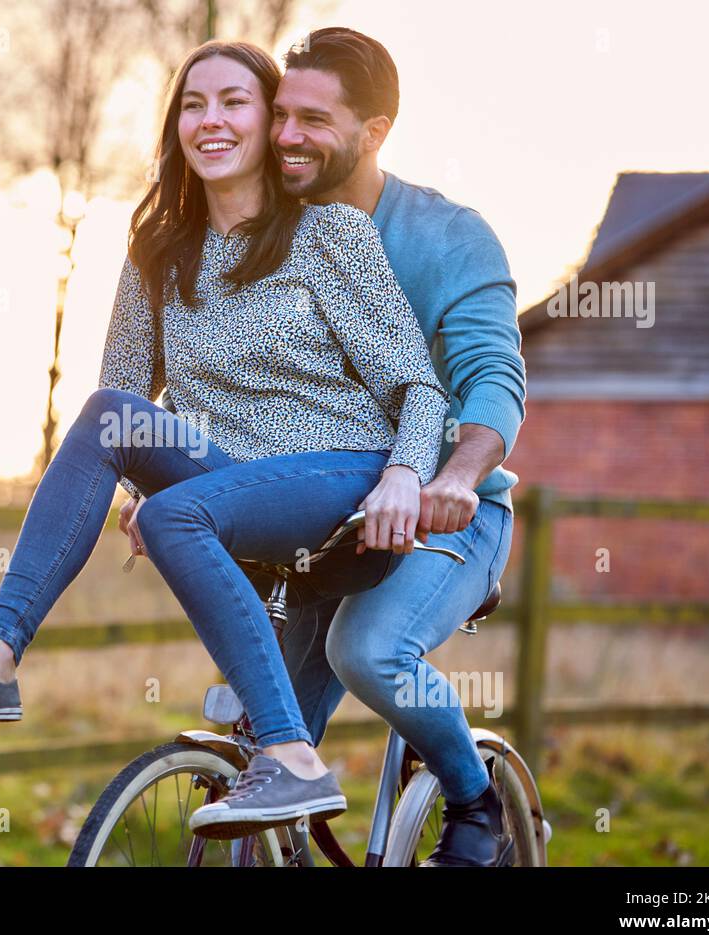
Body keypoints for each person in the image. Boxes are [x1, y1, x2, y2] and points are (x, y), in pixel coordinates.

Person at [0, 39, 449, 838]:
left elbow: (417, 384)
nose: (210, 120)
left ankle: (291, 758)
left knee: (172, 516)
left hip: (346, 481)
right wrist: (132, 486)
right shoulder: (159, 249)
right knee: (107, 413)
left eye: (234, 103)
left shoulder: (329, 236)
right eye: (194, 103)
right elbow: (120, 405)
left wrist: (404, 475)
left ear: (270, 126)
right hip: (237, 486)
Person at [259, 27, 527, 865]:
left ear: (374, 133)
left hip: (450, 519)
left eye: (313, 118)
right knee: (264, 743)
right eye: (279, 115)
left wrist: (455, 474)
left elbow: (492, 378)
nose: (286, 137)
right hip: (320, 518)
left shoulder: (449, 237)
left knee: (366, 648)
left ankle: (474, 800)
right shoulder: (270, 231)